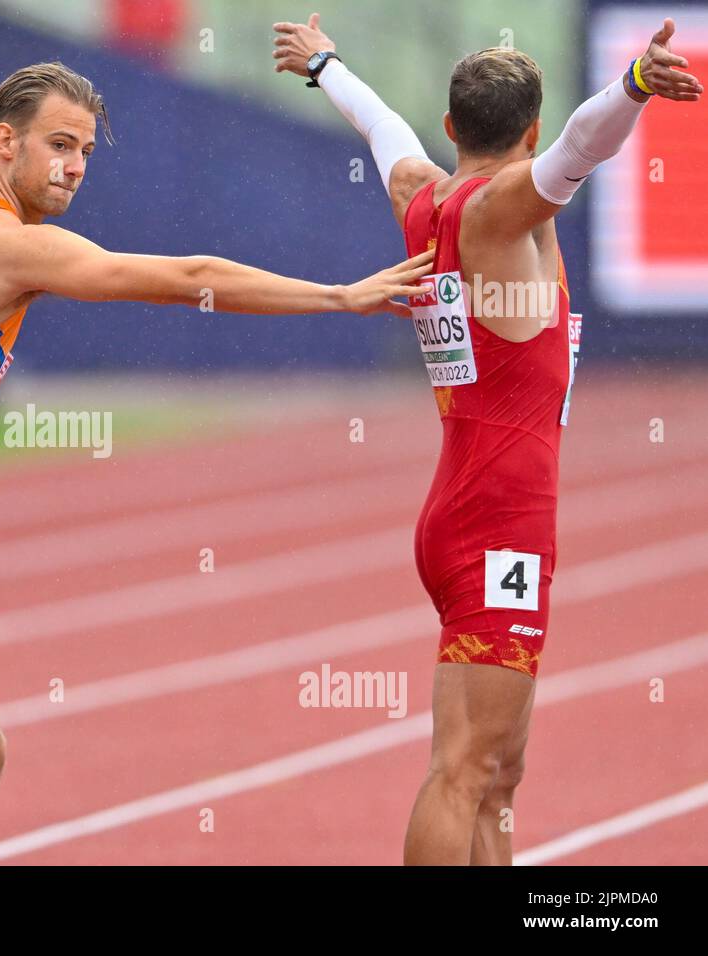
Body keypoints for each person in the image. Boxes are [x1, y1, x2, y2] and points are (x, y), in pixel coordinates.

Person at [0, 60, 435, 865]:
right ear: (4, 142)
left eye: (85, 151)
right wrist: (337, 295)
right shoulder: (2, 243)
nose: (75, 167)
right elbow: (185, 279)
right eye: (59, 145)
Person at [274, 13, 701, 865]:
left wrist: (326, 66)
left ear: (451, 127)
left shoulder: (422, 198)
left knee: (500, 772)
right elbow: (582, 148)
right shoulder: (502, 212)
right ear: (530, 132)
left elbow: (382, 129)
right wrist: (634, 87)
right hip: (499, 524)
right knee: (465, 770)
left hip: (462, 514)